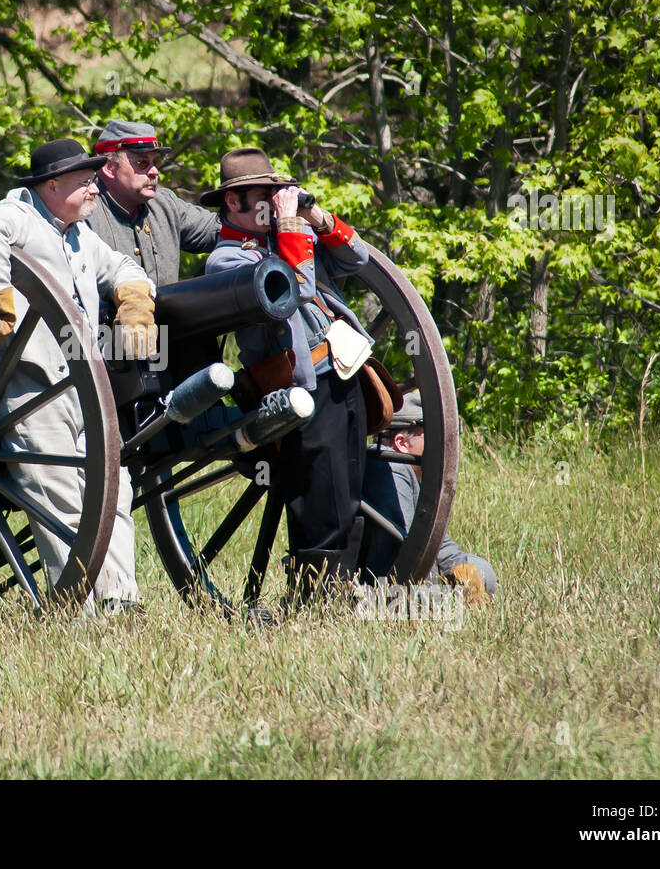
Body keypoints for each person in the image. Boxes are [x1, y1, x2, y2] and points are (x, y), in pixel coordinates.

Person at [0, 138, 157, 613]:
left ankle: (119, 603)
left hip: (82, 386)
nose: (94, 188)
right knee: (59, 496)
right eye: (84, 180)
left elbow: (123, 264)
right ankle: (78, 609)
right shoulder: (17, 217)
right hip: (28, 386)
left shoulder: (77, 234)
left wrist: (133, 296)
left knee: (114, 491)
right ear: (51, 185)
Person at [203, 147, 373, 603]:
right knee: (321, 487)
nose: (276, 203)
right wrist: (294, 232)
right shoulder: (227, 262)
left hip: (341, 370)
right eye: (266, 195)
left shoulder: (288, 238)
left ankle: (338, 588)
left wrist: (315, 217)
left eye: (278, 193)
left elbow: (358, 258)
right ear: (234, 202)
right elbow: (292, 296)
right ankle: (317, 597)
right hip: (300, 385)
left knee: (349, 482)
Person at [360, 391, 496, 604]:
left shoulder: (403, 471)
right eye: (430, 437)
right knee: (483, 572)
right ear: (402, 442)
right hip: (388, 591)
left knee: (480, 569)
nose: (439, 446)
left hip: (399, 587)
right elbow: (409, 547)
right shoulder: (391, 469)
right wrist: (429, 600)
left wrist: (462, 571)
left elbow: (433, 538)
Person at [86, 119, 220, 288]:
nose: (154, 171)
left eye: (156, 162)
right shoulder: (84, 213)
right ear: (109, 167)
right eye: (142, 163)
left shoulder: (165, 204)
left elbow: (221, 229)